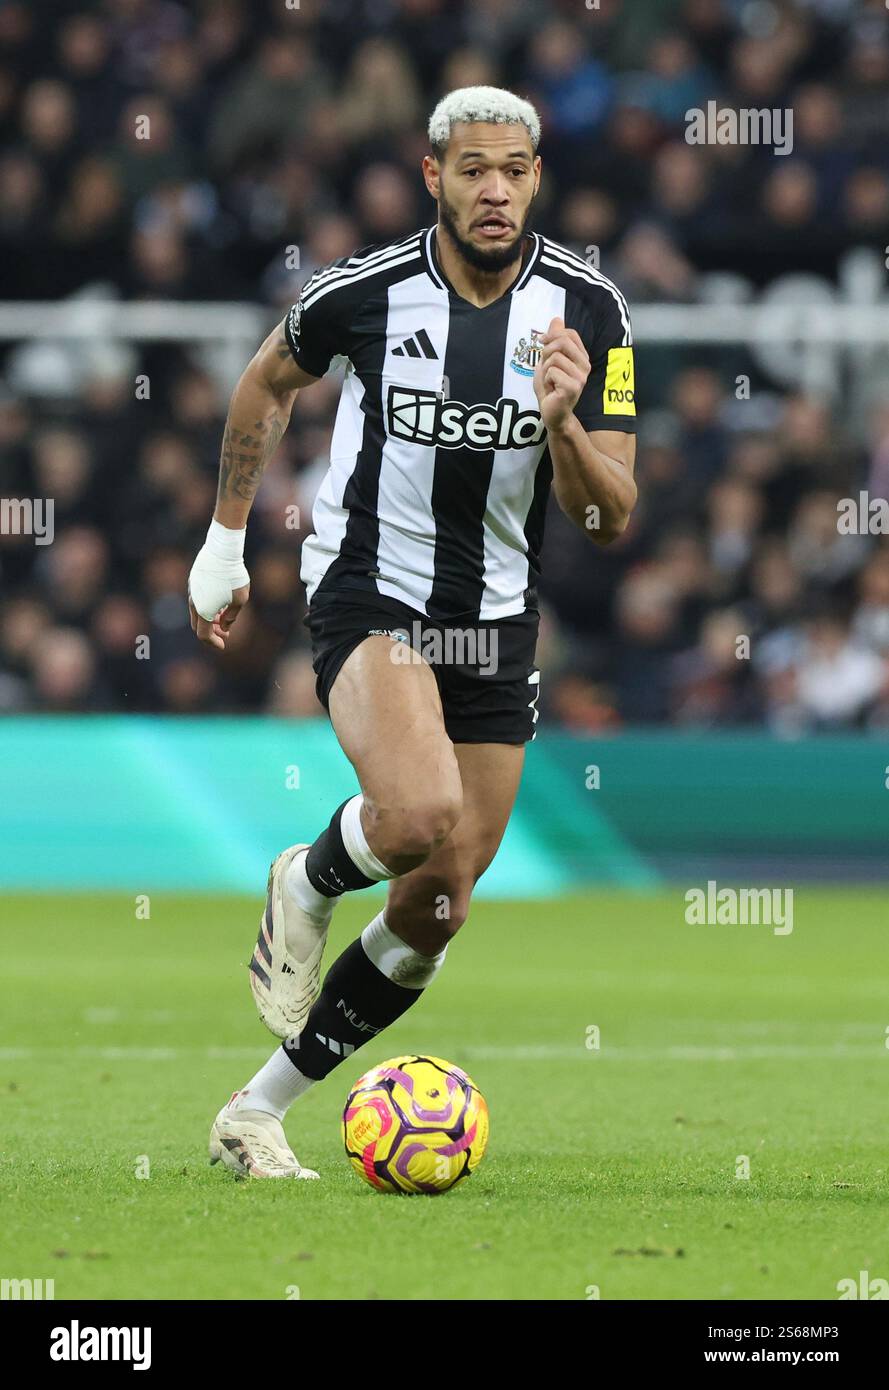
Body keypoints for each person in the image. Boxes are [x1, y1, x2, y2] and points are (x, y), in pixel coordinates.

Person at [188, 86, 638, 1179]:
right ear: (430, 174)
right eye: (472, 170)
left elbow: (608, 515)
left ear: (538, 179)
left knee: (436, 904)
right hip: (370, 591)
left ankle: (253, 1113)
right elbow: (264, 383)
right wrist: (223, 540)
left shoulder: (592, 312)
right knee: (416, 810)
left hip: (495, 621)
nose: (495, 191)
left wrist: (564, 424)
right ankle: (303, 880)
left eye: (515, 172)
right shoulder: (365, 293)